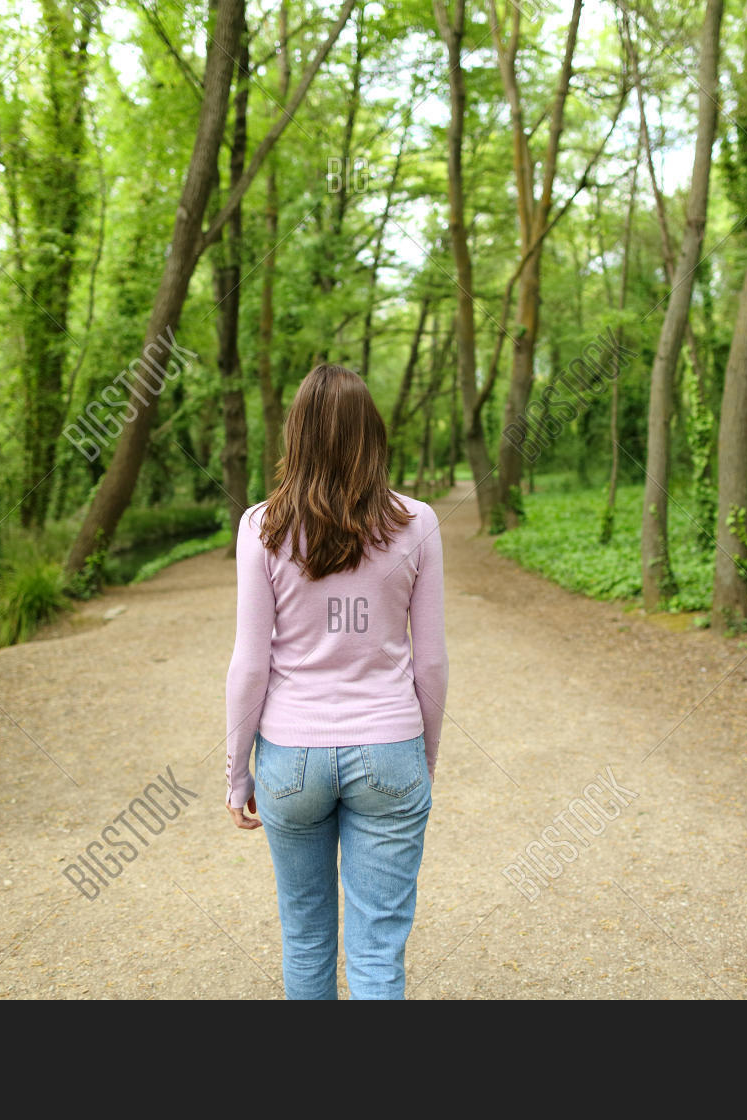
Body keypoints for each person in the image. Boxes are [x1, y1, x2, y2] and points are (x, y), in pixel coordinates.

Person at [224, 362, 448, 1000]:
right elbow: (429, 661)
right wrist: (422, 755)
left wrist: (239, 773)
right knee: (379, 947)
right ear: (372, 436)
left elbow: (250, 663)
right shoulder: (417, 523)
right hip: (390, 748)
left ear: (295, 437)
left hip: (291, 758)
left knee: (306, 936)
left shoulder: (261, 527)